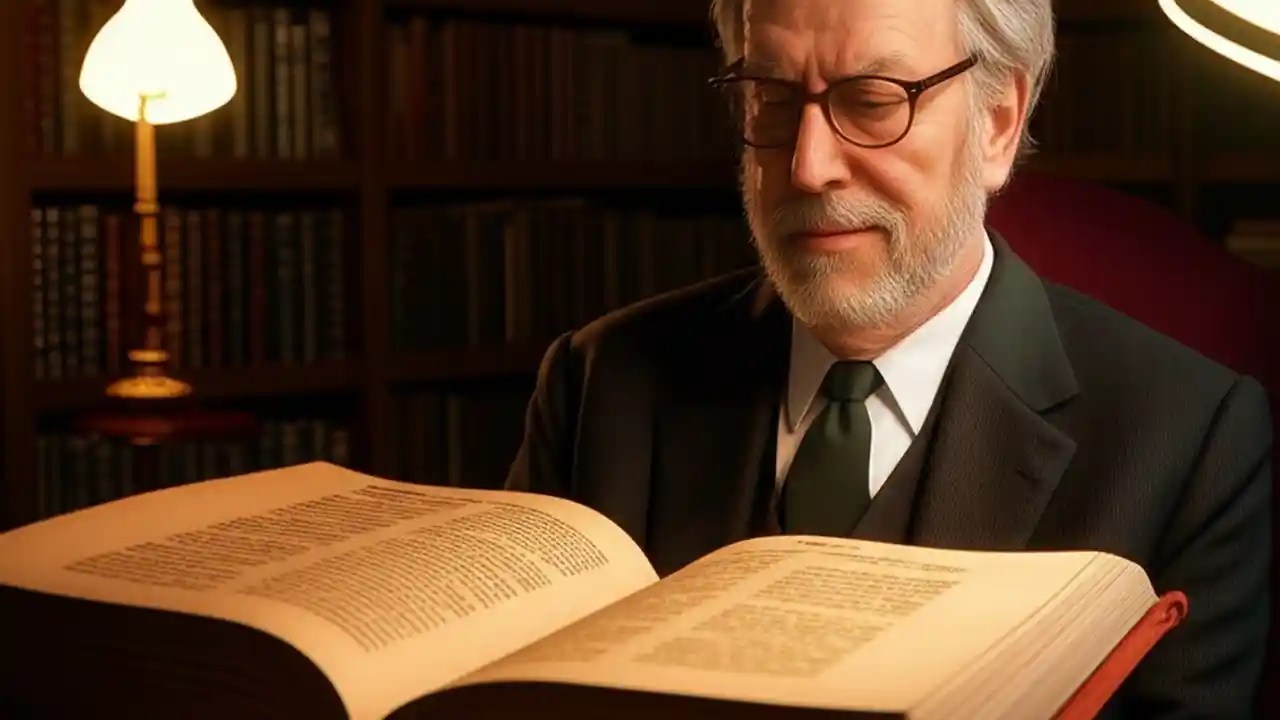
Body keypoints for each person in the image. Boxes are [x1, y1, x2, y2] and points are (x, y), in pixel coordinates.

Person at [504, 0, 1273, 716]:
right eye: (771, 100)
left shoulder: (1192, 441)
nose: (807, 167)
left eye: (872, 102)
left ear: (997, 123)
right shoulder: (598, 382)